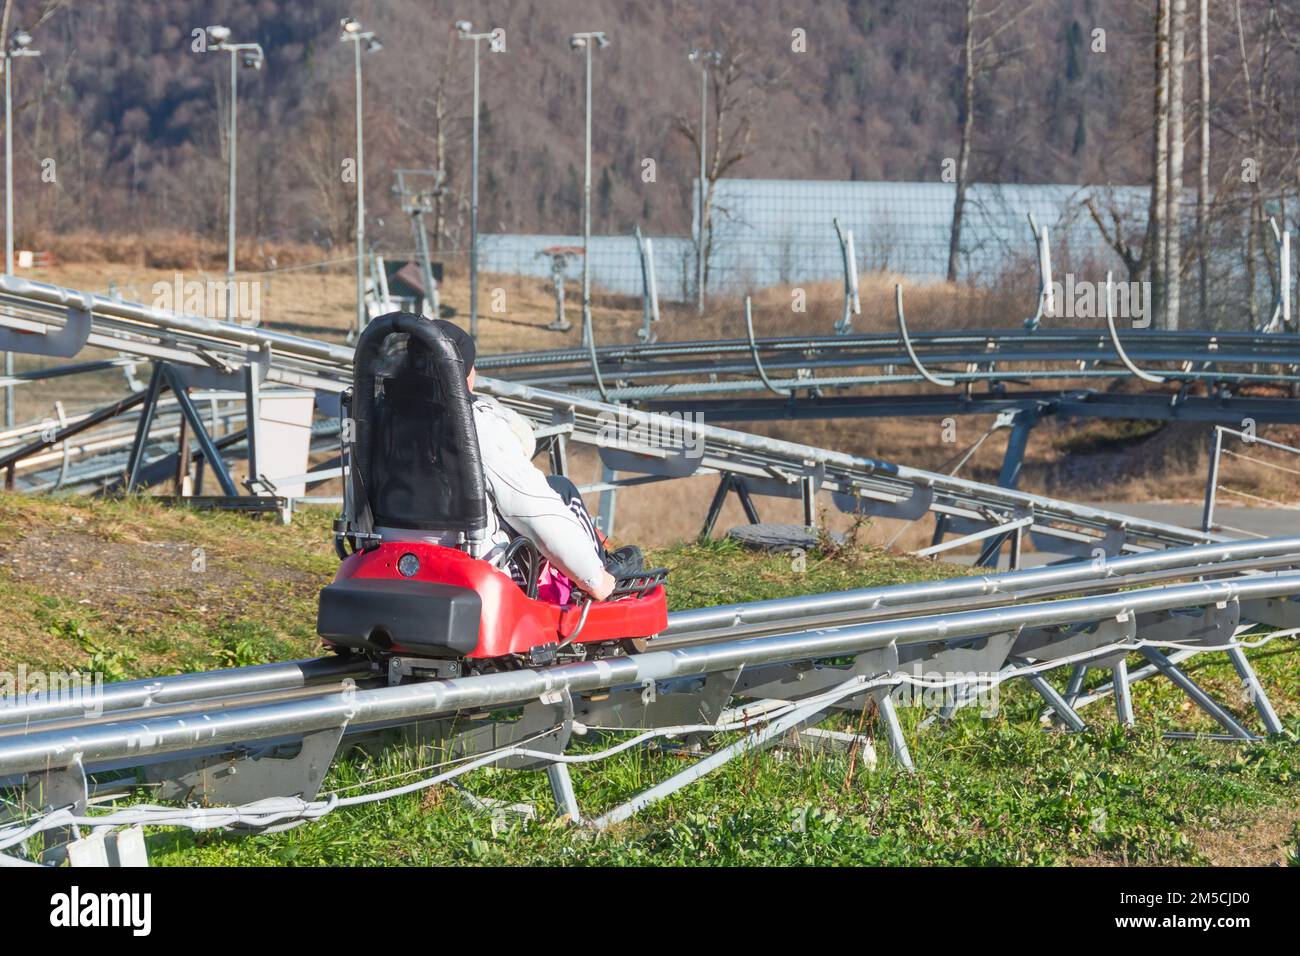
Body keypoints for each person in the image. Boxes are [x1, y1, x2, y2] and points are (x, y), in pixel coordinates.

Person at [431, 319, 637, 601]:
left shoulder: (377, 419)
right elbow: (533, 510)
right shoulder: (476, 425)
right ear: (465, 374)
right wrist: (595, 579)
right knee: (559, 490)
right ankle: (601, 569)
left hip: (393, 561)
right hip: (475, 565)